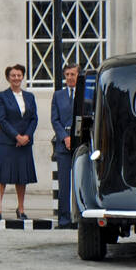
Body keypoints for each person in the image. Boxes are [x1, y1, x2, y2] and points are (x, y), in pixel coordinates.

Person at [0, 63, 38, 219]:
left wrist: (26, 136)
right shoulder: (1, 96)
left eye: (19, 75)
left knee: (22, 177)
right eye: (13, 75)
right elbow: (2, 119)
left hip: (25, 142)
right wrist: (16, 136)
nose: (16, 78)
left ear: (23, 77)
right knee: (2, 176)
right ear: (8, 78)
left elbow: (34, 118)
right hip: (7, 141)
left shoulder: (30, 96)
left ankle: (21, 208)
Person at [51, 62, 79, 228]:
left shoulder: (85, 94)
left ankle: (78, 217)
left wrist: (75, 139)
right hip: (63, 145)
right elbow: (54, 119)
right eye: (67, 74)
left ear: (78, 76)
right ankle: (64, 219)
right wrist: (65, 138)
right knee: (64, 183)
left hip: (79, 145)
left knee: (78, 183)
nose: (69, 77)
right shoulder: (58, 95)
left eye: (73, 74)